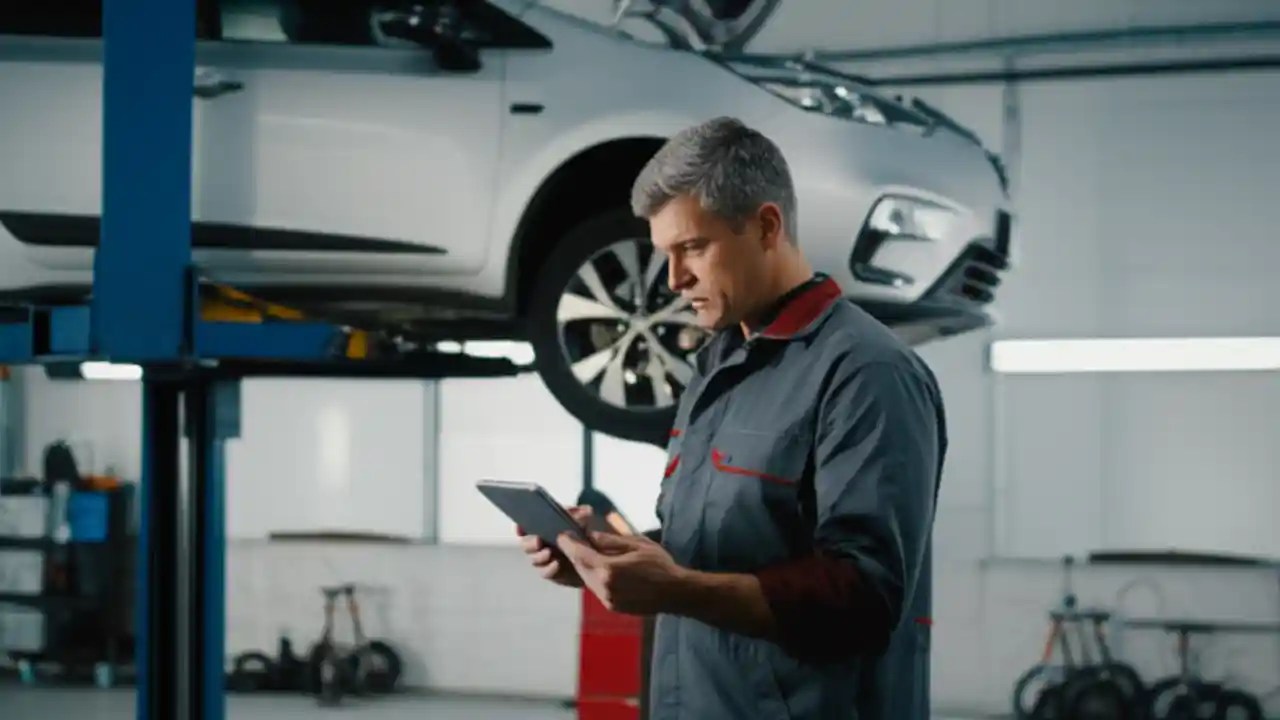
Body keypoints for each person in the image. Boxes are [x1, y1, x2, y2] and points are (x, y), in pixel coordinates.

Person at [518, 116, 948, 720]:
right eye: (665, 254)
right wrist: (609, 555)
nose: (673, 280)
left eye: (692, 248)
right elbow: (716, 548)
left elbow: (864, 594)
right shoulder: (715, 369)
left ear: (766, 226)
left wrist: (674, 590)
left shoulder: (867, 373)